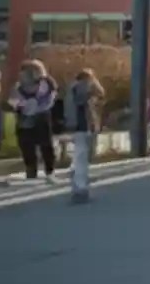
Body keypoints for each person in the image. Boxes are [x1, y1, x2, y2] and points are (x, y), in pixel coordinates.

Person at [9, 60, 57, 183]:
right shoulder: (18, 87)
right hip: (24, 119)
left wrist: (35, 106)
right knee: (26, 145)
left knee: (45, 144)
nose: (22, 75)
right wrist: (20, 105)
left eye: (25, 73)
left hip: (41, 117)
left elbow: (49, 101)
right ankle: (31, 169)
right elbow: (13, 101)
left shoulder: (46, 85)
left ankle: (49, 170)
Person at [64, 69, 105, 204]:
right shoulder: (84, 90)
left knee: (80, 155)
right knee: (82, 156)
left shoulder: (73, 89)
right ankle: (80, 187)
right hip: (83, 125)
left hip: (77, 125)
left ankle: (77, 180)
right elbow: (90, 104)